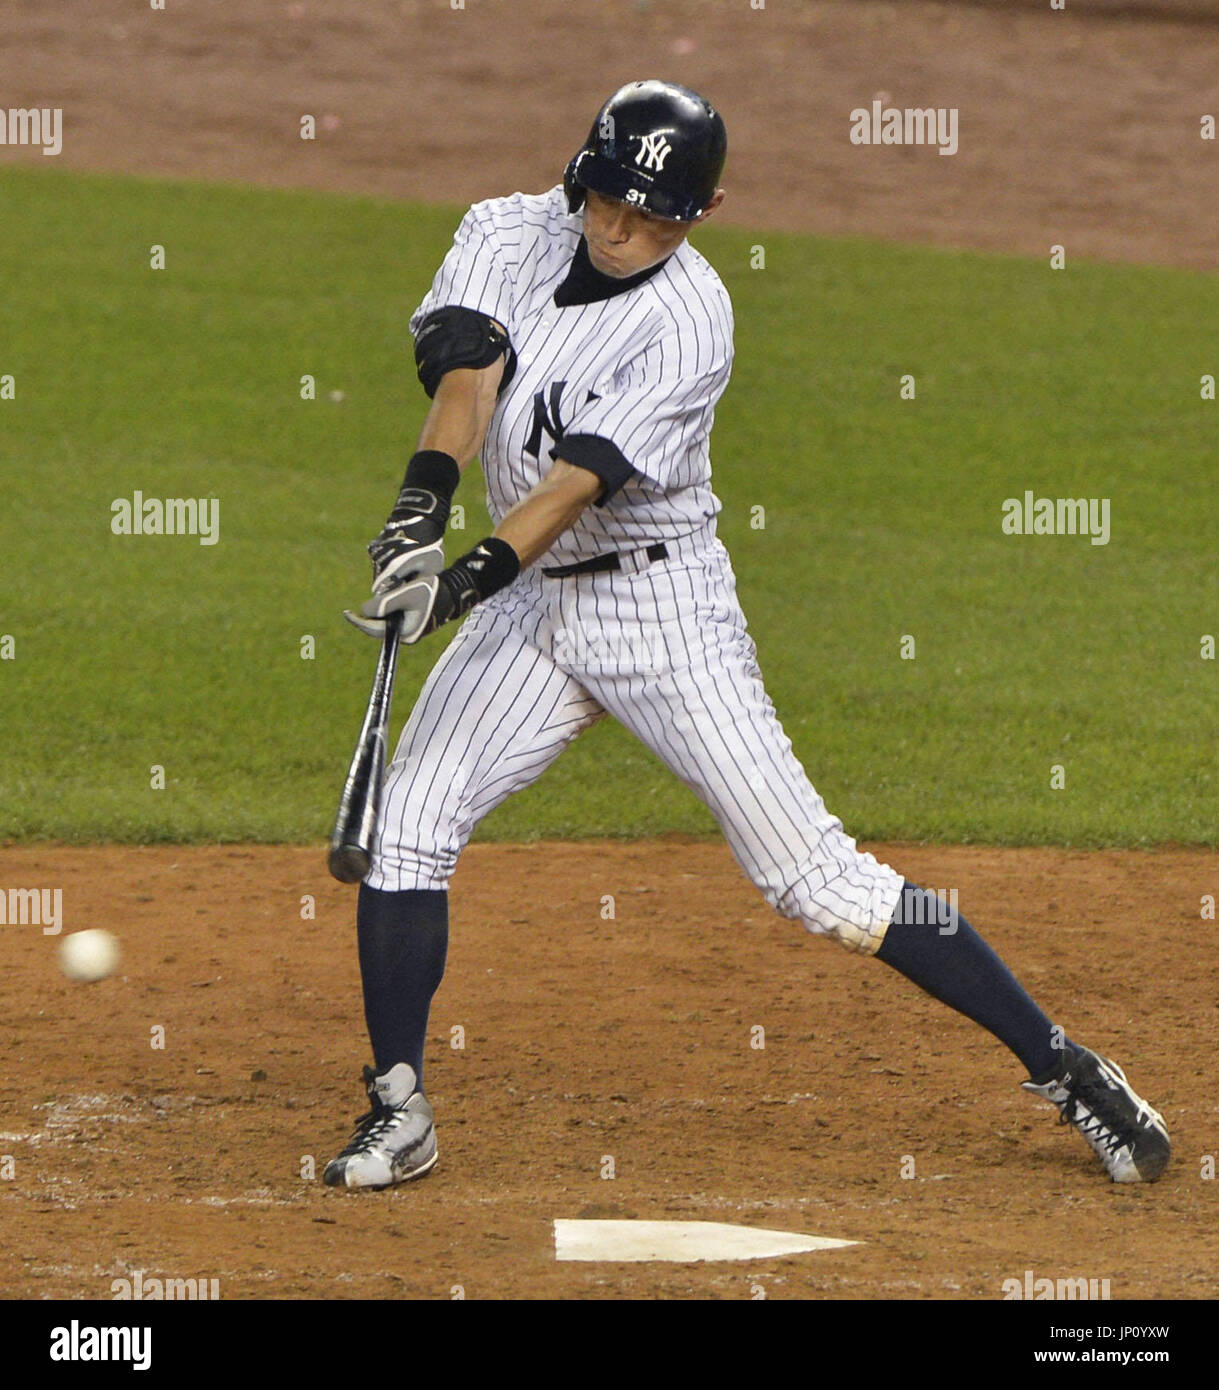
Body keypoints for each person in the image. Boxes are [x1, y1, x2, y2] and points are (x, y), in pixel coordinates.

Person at [322, 80, 1170, 1191]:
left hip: (659, 611)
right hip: (539, 609)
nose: (625, 234)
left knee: (818, 880)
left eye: (659, 218)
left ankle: (1065, 1068)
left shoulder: (691, 318)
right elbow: (470, 378)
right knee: (406, 826)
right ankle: (400, 1106)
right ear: (581, 175)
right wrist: (420, 504)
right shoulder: (501, 230)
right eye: (611, 206)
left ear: (700, 211)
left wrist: (466, 577)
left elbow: (578, 481)